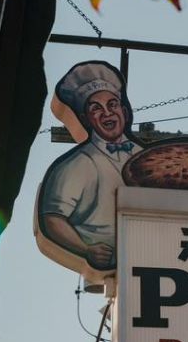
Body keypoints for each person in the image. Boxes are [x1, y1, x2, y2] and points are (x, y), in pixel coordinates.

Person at [36, 61, 143, 273]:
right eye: (96, 108)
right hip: (112, 261)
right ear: (85, 119)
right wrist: (85, 249)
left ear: (124, 111)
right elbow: (52, 217)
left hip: (155, 254)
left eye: (112, 105)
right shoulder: (78, 163)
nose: (107, 113)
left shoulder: (148, 156)